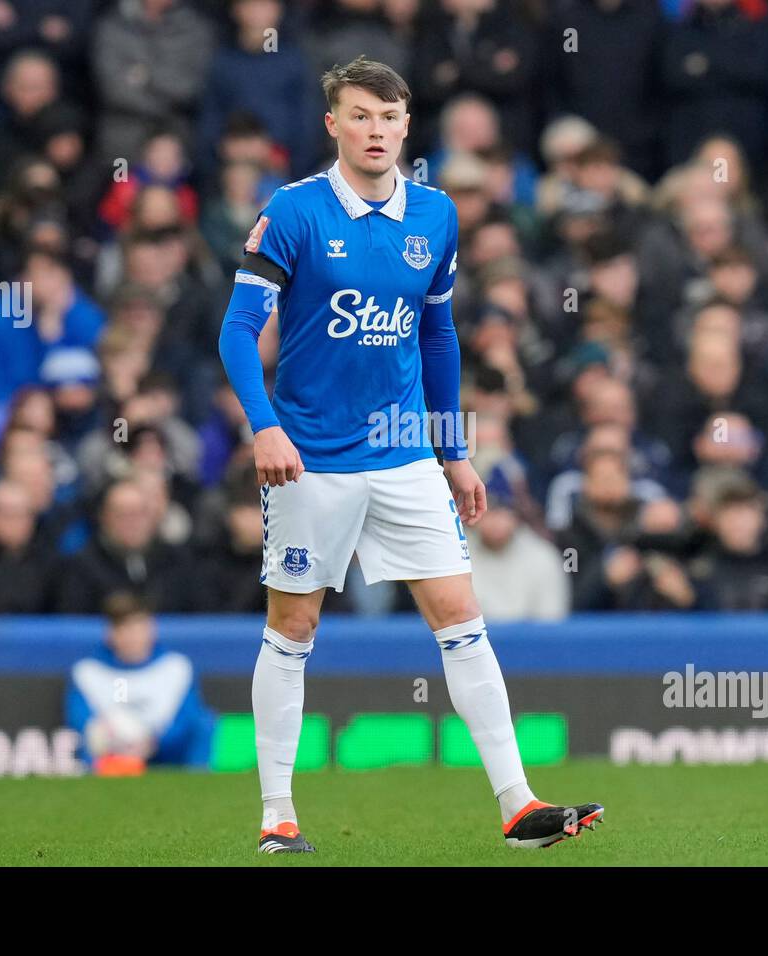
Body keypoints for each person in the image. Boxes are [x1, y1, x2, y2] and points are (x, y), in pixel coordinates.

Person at [217, 56, 601, 854]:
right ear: (333, 124)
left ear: (406, 126)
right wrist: (263, 424)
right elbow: (235, 329)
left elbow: (437, 333)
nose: (377, 132)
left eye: (390, 119)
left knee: (462, 617)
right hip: (311, 455)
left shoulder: (435, 215)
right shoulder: (290, 213)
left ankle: (518, 804)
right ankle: (277, 814)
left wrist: (454, 452)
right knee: (293, 626)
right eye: (360, 116)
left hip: (402, 453)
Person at [65, 592, 215, 773]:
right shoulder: (88, 672)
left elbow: (188, 718)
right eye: (124, 629)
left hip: (165, 754)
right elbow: (81, 721)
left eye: (138, 628)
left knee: (205, 723)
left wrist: (152, 743)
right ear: (110, 633)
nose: (132, 637)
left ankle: (195, 785)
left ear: (151, 629)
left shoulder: (176, 668)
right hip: (110, 757)